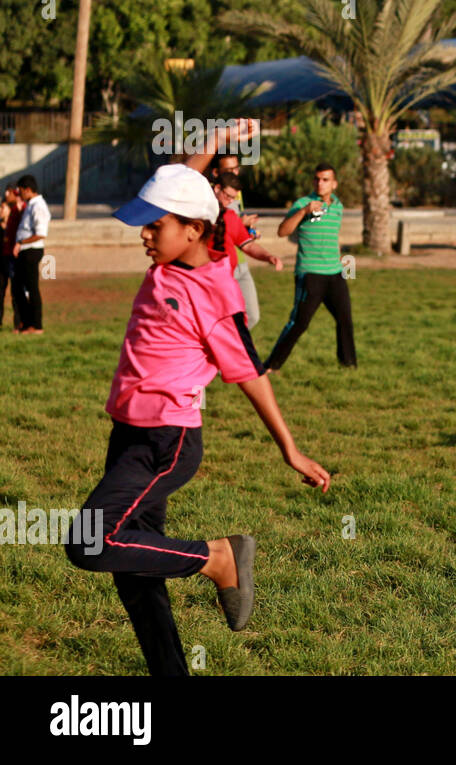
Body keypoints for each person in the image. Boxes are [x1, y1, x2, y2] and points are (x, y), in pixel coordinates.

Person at [64, 164, 330, 677]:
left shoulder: (214, 293)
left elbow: (250, 374)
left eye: (154, 225)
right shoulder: (166, 268)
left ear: (193, 229)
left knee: (89, 541)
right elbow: (187, 167)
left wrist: (289, 449)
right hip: (128, 437)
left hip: (166, 443)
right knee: (133, 568)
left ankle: (217, 558)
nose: (144, 235)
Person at [264, 163, 356, 371]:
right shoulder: (302, 203)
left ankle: (349, 366)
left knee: (345, 321)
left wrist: (344, 265)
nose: (320, 183)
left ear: (334, 184)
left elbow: (333, 237)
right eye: (317, 179)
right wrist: (304, 211)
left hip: (334, 273)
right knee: (299, 323)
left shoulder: (338, 207)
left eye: (325, 180)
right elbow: (282, 231)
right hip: (310, 274)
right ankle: (271, 365)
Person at [210, 172, 281, 323]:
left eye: (232, 198)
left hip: (227, 281)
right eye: (227, 196)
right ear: (217, 188)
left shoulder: (230, 216)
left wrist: (268, 256)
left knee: (250, 317)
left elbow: (248, 245)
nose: (229, 202)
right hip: (207, 283)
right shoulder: (199, 214)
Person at [209, 155, 264, 326]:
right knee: (226, 319)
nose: (235, 173)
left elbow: (235, 228)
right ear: (216, 173)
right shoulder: (209, 196)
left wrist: (248, 232)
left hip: (241, 261)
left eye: (236, 168)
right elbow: (213, 227)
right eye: (229, 170)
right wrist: (241, 224)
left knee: (252, 316)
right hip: (222, 267)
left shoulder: (236, 193)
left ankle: (231, 348)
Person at [12, 175, 49, 335]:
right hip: (25, 251)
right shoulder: (30, 205)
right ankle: (26, 323)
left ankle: (37, 325)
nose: (19, 195)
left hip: (31, 251)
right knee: (18, 287)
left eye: (21, 191)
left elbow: (41, 233)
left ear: (28, 190)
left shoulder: (38, 206)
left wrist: (21, 242)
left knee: (32, 288)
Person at [0, 182, 22, 330]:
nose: (0, 210)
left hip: (13, 261)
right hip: (1, 262)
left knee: (16, 293)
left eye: (2, 208)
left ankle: (18, 324)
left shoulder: (16, 222)